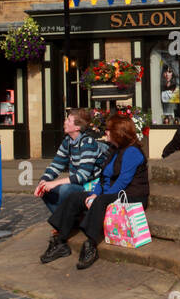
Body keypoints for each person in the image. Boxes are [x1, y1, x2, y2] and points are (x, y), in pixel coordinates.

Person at [40, 113, 149, 270]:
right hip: (111, 192)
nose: (106, 132)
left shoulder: (132, 152)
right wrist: (95, 194)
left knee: (100, 201)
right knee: (74, 197)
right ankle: (60, 241)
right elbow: (103, 177)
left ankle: (90, 244)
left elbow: (122, 182)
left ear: (118, 133)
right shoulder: (113, 150)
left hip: (131, 195)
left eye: (109, 130)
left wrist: (99, 198)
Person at [35, 109, 106, 208]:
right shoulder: (67, 142)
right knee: (45, 190)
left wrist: (54, 183)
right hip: (78, 184)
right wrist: (44, 181)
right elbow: (56, 165)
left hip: (92, 186)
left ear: (77, 127)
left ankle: (67, 220)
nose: (65, 122)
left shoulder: (88, 143)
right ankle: (65, 222)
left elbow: (82, 176)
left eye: (68, 120)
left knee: (65, 190)